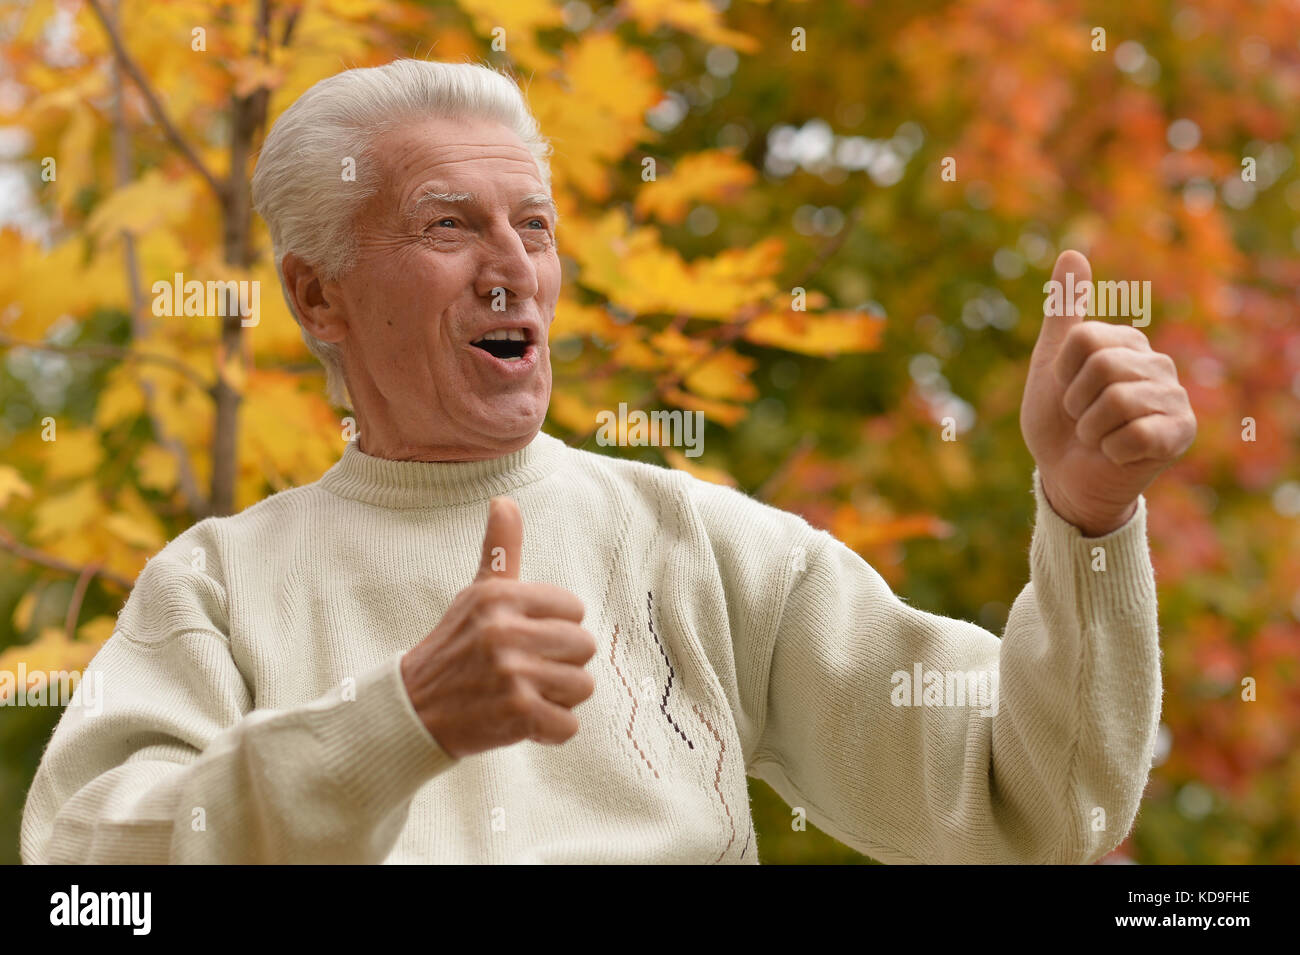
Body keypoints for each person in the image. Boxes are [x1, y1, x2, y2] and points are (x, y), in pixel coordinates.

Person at [21, 59, 1195, 864]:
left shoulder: (705, 542)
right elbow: (88, 879)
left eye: (533, 225)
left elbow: (1039, 804)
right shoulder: (217, 585)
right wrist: (400, 722)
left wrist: (1085, 513)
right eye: (448, 224)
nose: (511, 267)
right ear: (316, 295)